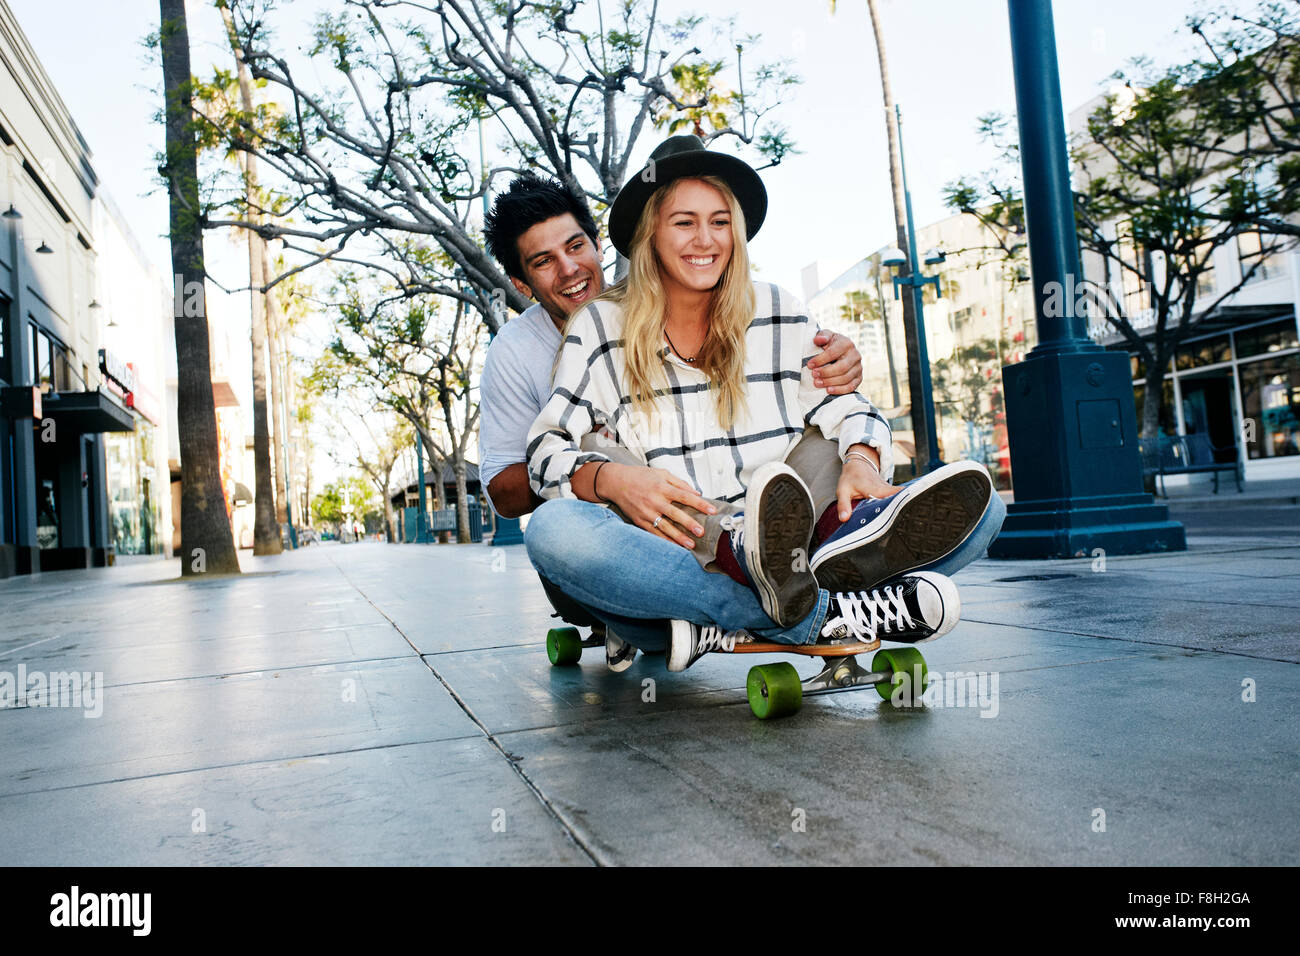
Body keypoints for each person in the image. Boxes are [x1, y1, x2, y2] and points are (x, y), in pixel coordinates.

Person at [524, 134, 1005, 671]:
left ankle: (796, 577)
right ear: (651, 234)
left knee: (988, 510)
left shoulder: (779, 310)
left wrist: (862, 461)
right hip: (685, 553)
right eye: (684, 222)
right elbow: (545, 452)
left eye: (720, 221)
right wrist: (609, 480)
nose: (704, 239)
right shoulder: (599, 327)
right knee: (552, 531)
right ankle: (819, 609)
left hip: (790, 528)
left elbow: (847, 407)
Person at [479, 170, 868, 667]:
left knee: (832, 453)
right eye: (543, 262)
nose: (570, 269)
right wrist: (609, 476)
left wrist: (835, 372)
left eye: (576, 246)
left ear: (597, 243)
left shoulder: (670, 294)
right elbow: (505, 493)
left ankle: (734, 600)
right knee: (554, 530)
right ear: (521, 282)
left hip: (716, 523)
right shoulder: (514, 353)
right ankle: (806, 612)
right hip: (624, 542)